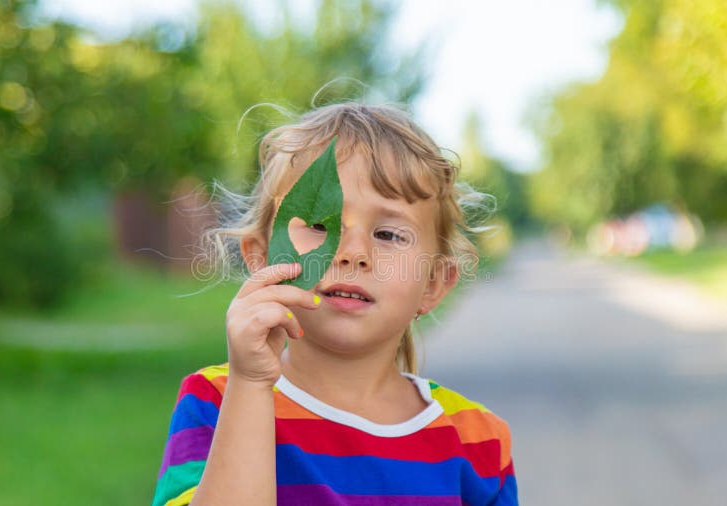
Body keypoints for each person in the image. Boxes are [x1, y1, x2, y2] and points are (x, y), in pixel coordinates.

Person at [151, 101, 519, 506]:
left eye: (389, 234)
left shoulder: (479, 441)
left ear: (433, 283)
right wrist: (251, 385)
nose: (353, 252)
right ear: (260, 256)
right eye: (319, 223)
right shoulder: (217, 402)